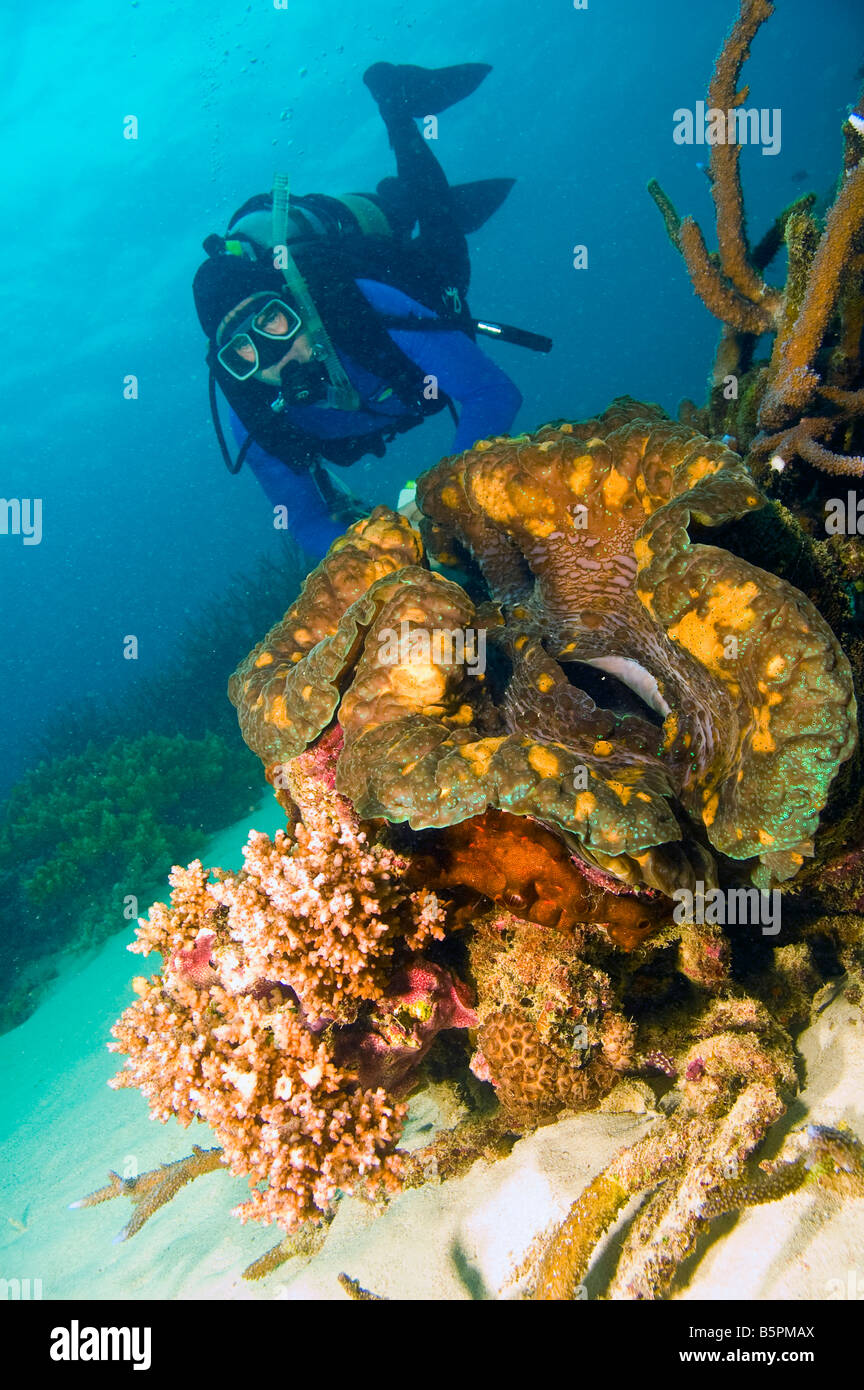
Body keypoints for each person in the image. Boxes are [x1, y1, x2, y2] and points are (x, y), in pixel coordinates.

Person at [192, 62, 550, 559]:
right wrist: (380, 564)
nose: (275, 357)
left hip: (391, 277)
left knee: (444, 250)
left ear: (297, 301)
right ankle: (397, 201)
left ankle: (396, 103)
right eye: (244, 351)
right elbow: (307, 522)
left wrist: (441, 505)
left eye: (272, 320)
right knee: (405, 214)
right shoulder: (250, 410)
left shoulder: (359, 302)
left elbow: (493, 394)